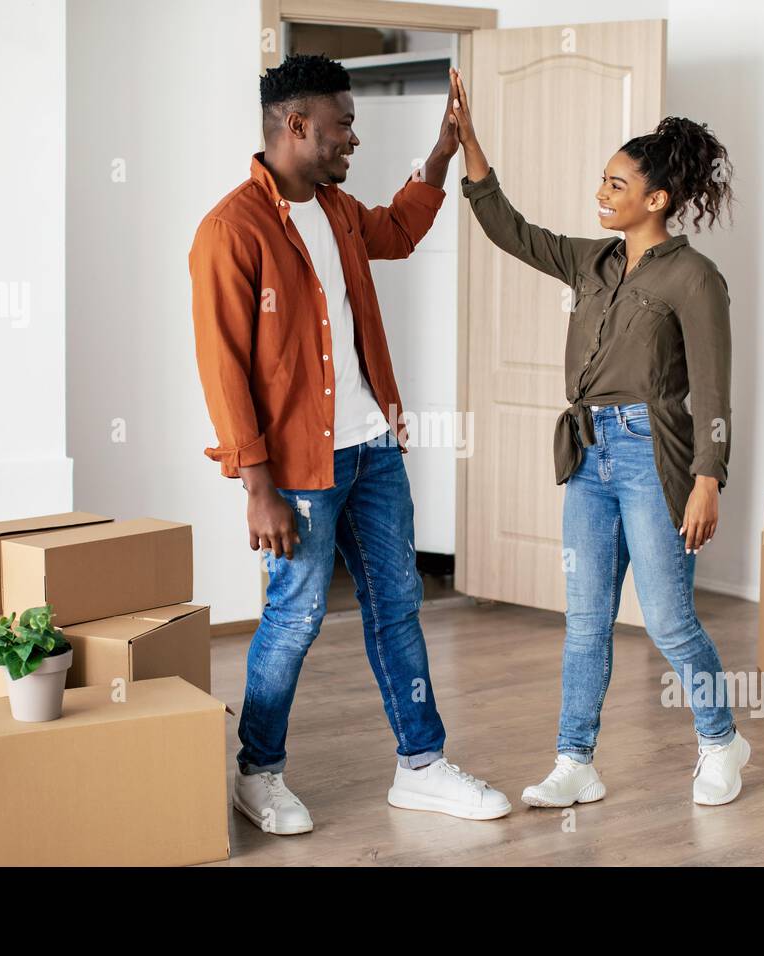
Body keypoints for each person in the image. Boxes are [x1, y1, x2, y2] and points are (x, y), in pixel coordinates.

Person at [189, 55, 510, 835]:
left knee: (398, 606)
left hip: (374, 452)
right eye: (344, 125)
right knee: (295, 618)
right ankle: (258, 773)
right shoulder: (231, 230)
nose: (353, 140)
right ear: (298, 125)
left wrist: (440, 154)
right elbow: (222, 369)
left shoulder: (336, 211)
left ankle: (422, 766)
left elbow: (397, 231)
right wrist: (257, 486)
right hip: (298, 468)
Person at [449, 70, 750, 807]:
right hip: (588, 455)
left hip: (653, 456)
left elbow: (713, 391)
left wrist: (709, 478)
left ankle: (721, 741)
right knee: (585, 622)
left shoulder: (695, 279)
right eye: (603, 181)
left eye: (617, 185)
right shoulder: (592, 260)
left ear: (657, 200)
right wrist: (469, 143)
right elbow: (511, 230)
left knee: (670, 621)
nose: (602, 193)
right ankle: (575, 761)